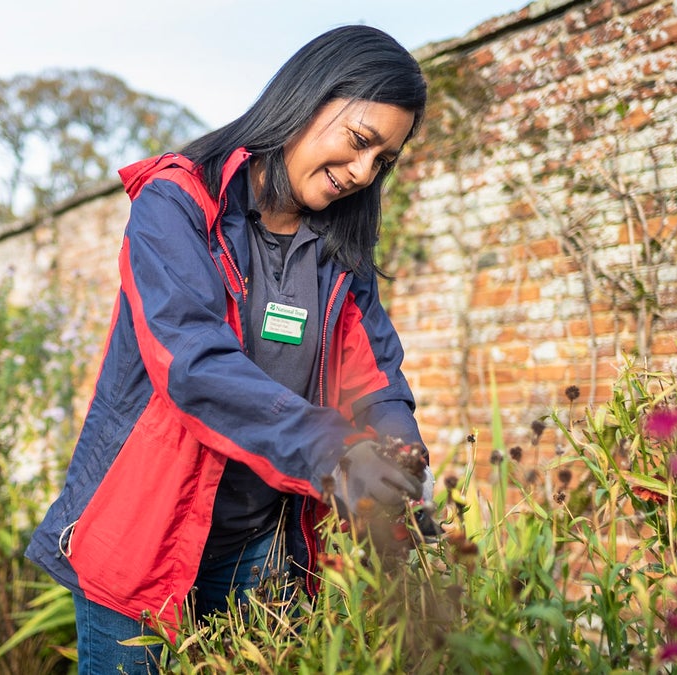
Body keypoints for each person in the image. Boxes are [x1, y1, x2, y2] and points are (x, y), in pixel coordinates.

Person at [26, 24, 433, 673]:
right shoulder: (177, 206)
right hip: (146, 536)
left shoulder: (338, 251)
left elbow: (374, 375)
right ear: (307, 98)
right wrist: (335, 452)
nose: (363, 173)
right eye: (359, 141)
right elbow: (193, 364)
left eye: (383, 160)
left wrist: (401, 463)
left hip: (258, 548)